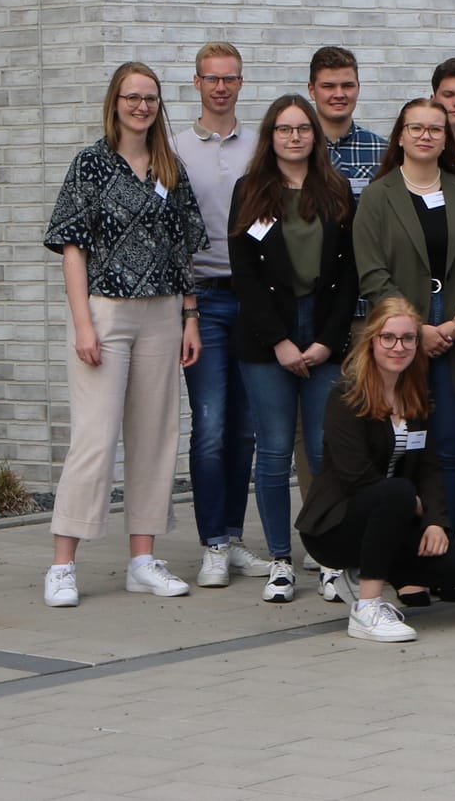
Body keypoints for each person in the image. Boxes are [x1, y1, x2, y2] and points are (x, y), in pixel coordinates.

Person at [41, 62, 204, 607]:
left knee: (155, 437)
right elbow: (71, 247)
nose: (141, 106)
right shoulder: (90, 164)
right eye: (132, 97)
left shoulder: (168, 166)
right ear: (115, 102)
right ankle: (63, 564)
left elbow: (184, 247)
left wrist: (190, 316)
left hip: (162, 312)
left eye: (150, 98)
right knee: (94, 437)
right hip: (106, 313)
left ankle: (142, 559)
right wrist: (83, 322)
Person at [227, 92, 360, 604]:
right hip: (267, 338)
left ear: (315, 135)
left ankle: (328, 559)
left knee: (326, 452)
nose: (295, 137)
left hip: (323, 329)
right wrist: (280, 341)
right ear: (271, 136)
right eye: (284, 129)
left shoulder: (336, 188)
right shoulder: (250, 191)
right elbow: (245, 277)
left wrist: (327, 340)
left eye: (303, 128)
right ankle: (280, 560)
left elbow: (349, 274)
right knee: (276, 450)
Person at [353, 96, 455, 533]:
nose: (425, 135)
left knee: (450, 445)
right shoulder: (379, 195)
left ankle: (448, 539)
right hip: (399, 335)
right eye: (416, 127)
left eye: (435, 129)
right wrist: (416, 330)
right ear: (400, 134)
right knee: (404, 443)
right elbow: (372, 272)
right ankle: (406, 540)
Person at [299, 294, 455, 642]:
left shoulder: (416, 395)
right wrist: (412, 505)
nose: (399, 347)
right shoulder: (347, 395)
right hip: (336, 526)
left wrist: (435, 522)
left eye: (408, 338)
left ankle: (363, 570)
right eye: (388, 338)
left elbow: (429, 466)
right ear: (372, 341)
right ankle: (367, 607)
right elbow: (355, 475)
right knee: (397, 491)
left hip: (391, 515)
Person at [172, 42, 258, 589]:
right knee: (209, 426)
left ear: (241, 84)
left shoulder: (258, 145)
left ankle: (233, 533)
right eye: (211, 78)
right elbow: (170, 232)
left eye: (230, 78)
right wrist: (185, 308)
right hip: (201, 300)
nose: (221, 87)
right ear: (197, 83)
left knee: (246, 429)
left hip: (254, 299)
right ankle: (212, 544)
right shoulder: (175, 147)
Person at [310, 46, 383, 189]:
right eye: (328, 86)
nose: (339, 94)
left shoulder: (382, 152)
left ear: (358, 88)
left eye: (347, 86)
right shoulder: (294, 147)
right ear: (312, 91)